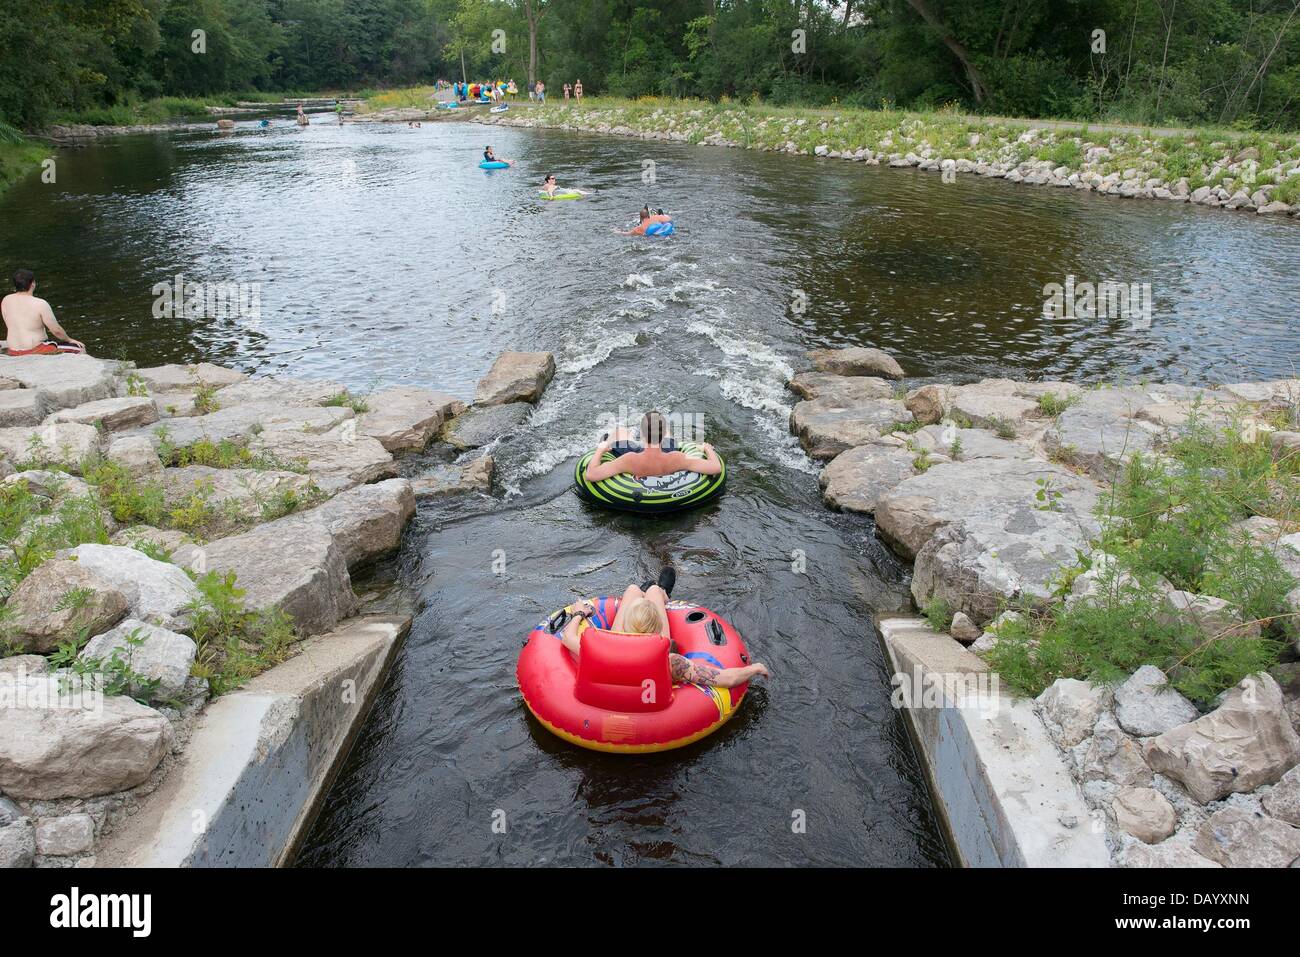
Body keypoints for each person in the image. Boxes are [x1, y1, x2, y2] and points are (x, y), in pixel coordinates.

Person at [558, 567, 770, 689]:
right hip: (653, 661)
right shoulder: (670, 662)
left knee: (631, 591)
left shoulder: (599, 650)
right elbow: (726, 679)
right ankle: (659, 592)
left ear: (624, 623)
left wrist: (579, 613)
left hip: (616, 647)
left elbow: (567, 638)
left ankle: (641, 593)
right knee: (653, 593)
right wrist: (754, 669)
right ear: (659, 628)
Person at [584, 410, 719, 483]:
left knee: (621, 431)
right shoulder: (678, 458)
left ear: (642, 434)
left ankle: (616, 439)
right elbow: (715, 468)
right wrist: (707, 449)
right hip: (666, 454)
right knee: (668, 436)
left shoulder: (629, 459)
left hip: (639, 458)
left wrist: (600, 450)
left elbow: (591, 474)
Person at [2, 270, 85, 355]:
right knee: (79, 348)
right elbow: (56, 331)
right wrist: (70, 340)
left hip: (13, 350)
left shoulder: (6, 300)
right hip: (36, 349)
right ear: (33, 283)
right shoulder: (40, 303)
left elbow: (9, 323)